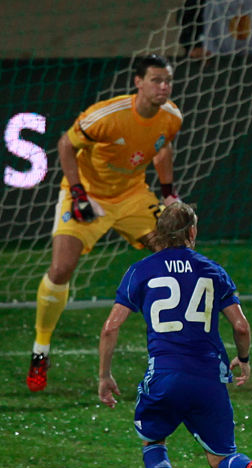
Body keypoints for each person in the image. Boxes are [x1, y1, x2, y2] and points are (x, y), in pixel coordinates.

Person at [97, 203, 252, 468]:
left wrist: (104, 376)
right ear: (192, 233)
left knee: (153, 441)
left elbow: (110, 328)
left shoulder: (140, 270)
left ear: (158, 233)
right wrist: (244, 359)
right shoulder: (213, 270)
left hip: (165, 376)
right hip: (209, 378)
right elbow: (241, 326)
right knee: (221, 459)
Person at [28, 54, 183, 392]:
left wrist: (168, 193)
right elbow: (66, 143)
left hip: (132, 195)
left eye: (167, 80)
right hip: (87, 193)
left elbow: (162, 148)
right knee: (61, 268)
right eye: (156, 80)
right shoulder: (106, 115)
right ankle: (41, 351)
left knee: (175, 255)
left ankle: (177, 352)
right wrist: (80, 193)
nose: (163, 86)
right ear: (138, 82)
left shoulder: (171, 117)